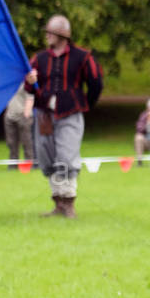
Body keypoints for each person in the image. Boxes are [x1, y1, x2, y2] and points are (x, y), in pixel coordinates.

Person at [25, 14, 103, 218]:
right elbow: (30, 88)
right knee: (47, 158)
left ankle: (68, 202)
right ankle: (58, 202)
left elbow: (96, 82)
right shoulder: (39, 58)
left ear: (62, 35)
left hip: (70, 114)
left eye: (51, 33)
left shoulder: (83, 56)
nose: (48, 36)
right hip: (44, 115)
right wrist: (30, 80)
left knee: (66, 158)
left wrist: (85, 103)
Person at [3, 83, 35, 163]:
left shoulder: (26, 83)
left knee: (26, 143)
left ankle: (29, 164)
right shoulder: (9, 83)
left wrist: (26, 114)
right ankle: (13, 165)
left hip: (23, 116)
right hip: (10, 117)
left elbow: (30, 98)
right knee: (11, 143)